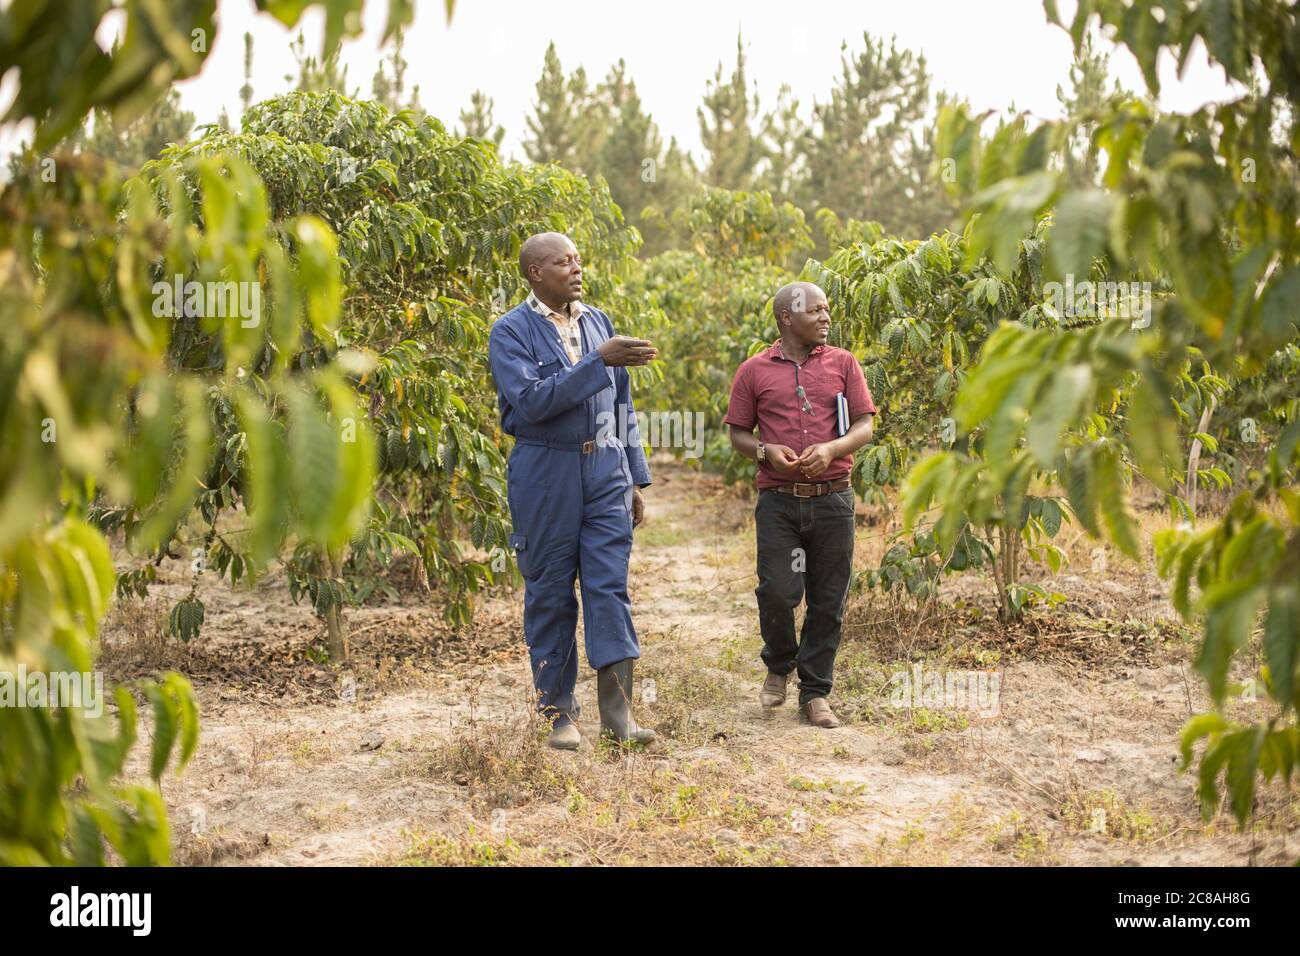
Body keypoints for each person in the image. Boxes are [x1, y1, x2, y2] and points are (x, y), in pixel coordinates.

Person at [487, 231, 658, 749]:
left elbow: (623, 405)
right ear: (536, 273)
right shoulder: (510, 332)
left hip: (604, 472)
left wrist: (634, 474)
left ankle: (619, 718)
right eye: (564, 262)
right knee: (551, 591)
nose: (576, 269)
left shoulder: (598, 322)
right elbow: (533, 402)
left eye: (579, 260)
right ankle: (558, 715)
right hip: (546, 475)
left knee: (609, 588)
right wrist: (596, 361)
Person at [724, 281, 876, 728]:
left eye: (828, 310)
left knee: (829, 599)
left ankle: (815, 693)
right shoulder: (754, 370)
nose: (826, 318)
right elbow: (738, 433)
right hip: (779, 502)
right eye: (817, 311)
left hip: (833, 501)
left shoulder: (844, 363)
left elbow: (864, 425)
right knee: (778, 591)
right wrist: (764, 451)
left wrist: (833, 449)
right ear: (787, 318)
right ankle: (778, 664)